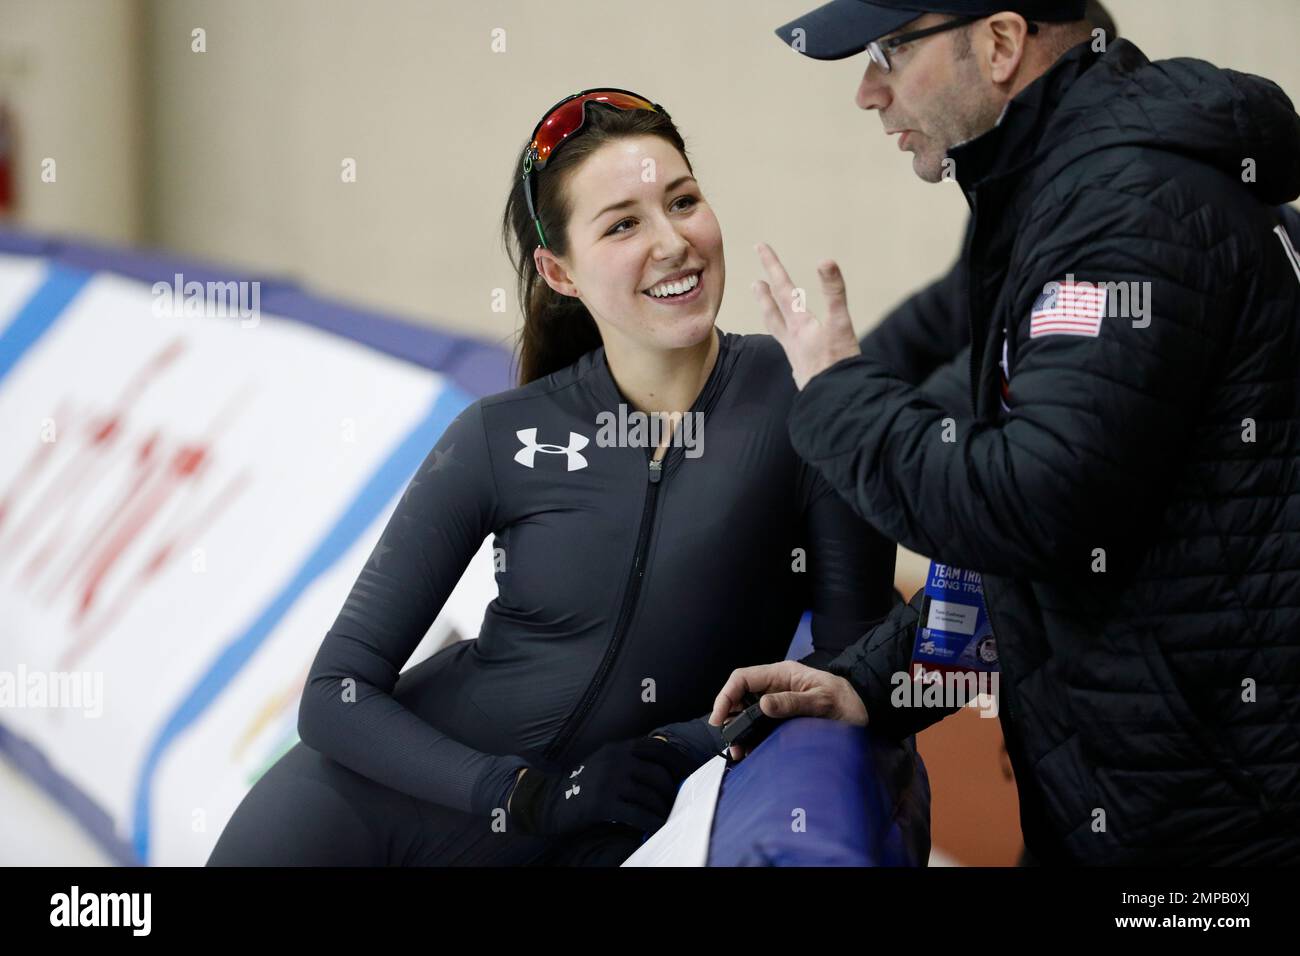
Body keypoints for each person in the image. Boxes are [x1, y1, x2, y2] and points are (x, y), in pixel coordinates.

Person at [207, 89, 905, 866]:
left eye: (683, 201)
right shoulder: (499, 435)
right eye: (623, 224)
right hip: (353, 821)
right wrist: (529, 794)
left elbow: (850, 663)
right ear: (559, 270)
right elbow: (334, 694)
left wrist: (684, 743)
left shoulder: (804, 394)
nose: (672, 241)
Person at [712, 0, 1300, 864]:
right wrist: (871, 684)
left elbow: (1034, 508)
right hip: (1150, 801)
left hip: (1213, 833)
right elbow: (1041, 556)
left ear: (998, 43)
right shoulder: (1059, 187)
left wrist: (837, 390)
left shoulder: (1125, 210)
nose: (867, 93)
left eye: (887, 51)